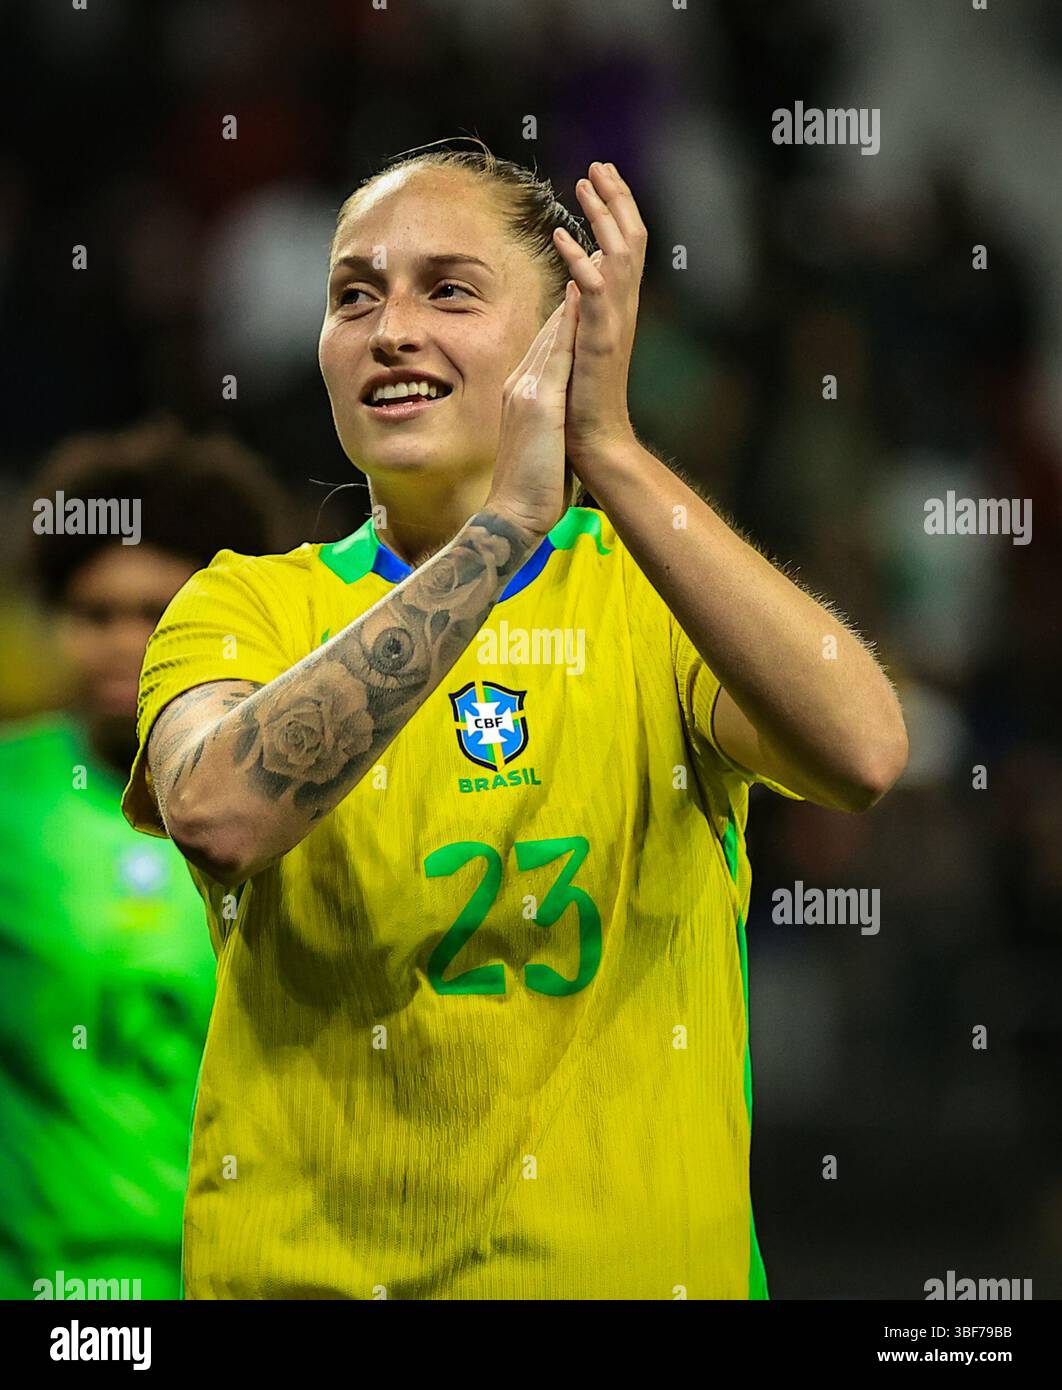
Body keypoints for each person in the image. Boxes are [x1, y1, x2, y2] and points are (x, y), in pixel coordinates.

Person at [120, 146, 908, 1300]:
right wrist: (505, 531)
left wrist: (612, 453)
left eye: (448, 289)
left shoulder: (656, 594)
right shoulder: (247, 603)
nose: (390, 328)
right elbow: (222, 812)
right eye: (354, 294)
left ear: (565, 336)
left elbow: (864, 751)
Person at [0, 420, 291, 1299]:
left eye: (161, 615)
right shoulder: (9, 799)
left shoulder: (293, 814)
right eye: (94, 614)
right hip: (48, 1288)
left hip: (246, 1272)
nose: (125, 643)